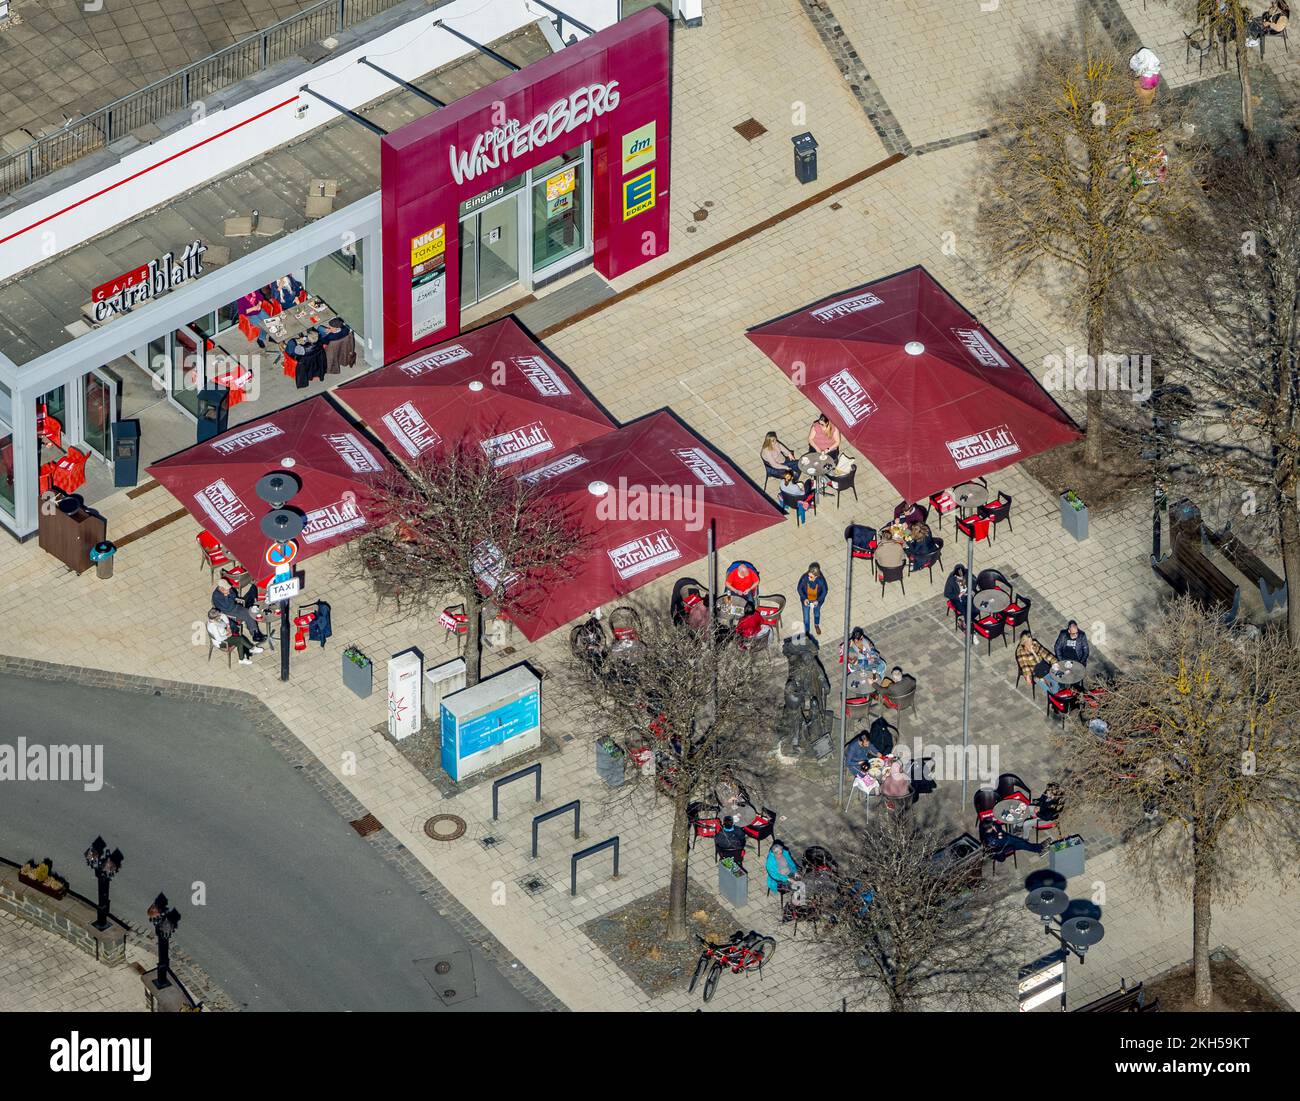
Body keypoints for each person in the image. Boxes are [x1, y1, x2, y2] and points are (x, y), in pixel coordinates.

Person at [212, 578, 266, 642]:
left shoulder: (226, 589)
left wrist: (229, 595)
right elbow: (229, 607)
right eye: (227, 589)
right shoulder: (216, 596)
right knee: (249, 614)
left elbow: (234, 594)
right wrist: (226, 596)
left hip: (234, 606)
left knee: (250, 597)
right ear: (221, 588)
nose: (229, 589)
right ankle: (255, 634)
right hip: (229, 611)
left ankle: (254, 630)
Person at [979, 817, 1044, 856]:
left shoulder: (984, 825)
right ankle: (1038, 849)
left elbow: (997, 825)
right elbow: (999, 840)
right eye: (992, 826)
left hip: (1005, 838)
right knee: (1023, 844)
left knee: (1021, 841)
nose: (993, 825)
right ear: (988, 829)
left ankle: (1037, 847)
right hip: (1004, 846)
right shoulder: (989, 839)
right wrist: (998, 832)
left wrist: (998, 831)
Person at [796, 562, 827, 635]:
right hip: (806, 600)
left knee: (816, 613)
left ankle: (816, 625)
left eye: (811, 577)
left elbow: (824, 591)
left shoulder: (821, 581)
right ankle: (807, 632)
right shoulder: (804, 578)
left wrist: (818, 601)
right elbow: (799, 588)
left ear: (816, 577)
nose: (809, 578)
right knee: (806, 618)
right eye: (809, 575)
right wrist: (804, 598)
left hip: (816, 601)